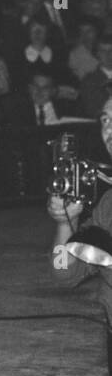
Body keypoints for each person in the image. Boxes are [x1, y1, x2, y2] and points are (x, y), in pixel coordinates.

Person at [48, 96, 112, 329]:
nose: (109, 129)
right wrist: (66, 222)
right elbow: (64, 272)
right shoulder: (107, 205)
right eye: (105, 120)